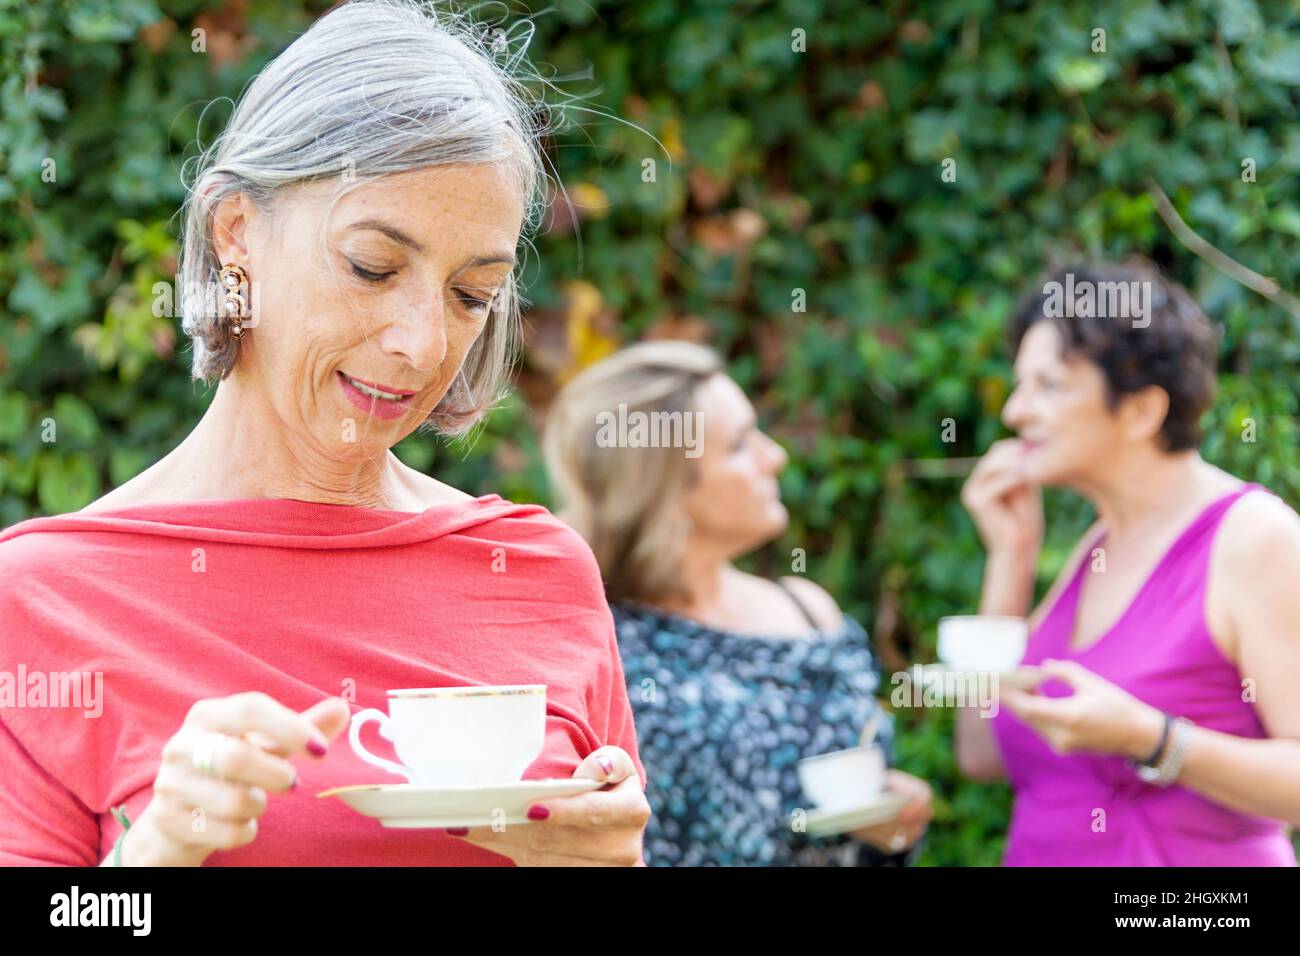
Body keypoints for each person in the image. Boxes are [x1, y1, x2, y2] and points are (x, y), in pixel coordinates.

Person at [0, 0, 649, 867]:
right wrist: (149, 857)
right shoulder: (38, 602)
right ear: (238, 234)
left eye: (471, 294)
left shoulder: (542, 572)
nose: (422, 345)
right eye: (372, 267)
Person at [956, 261, 1300, 865]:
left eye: (1049, 386)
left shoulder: (1254, 539)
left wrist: (1153, 739)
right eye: (1019, 384)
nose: (1014, 412)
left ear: (1141, 410)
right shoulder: (1094, 549)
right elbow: (981, 754)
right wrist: (1009, 561)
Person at [543, 340, 933, 865]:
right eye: (741, 445)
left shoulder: (808, 612)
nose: (777, 457)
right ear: (664, 484)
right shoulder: (592, 639)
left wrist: (895, 830)